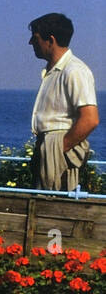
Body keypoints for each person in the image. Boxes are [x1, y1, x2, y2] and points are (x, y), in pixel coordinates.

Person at [27, 13, 98, 192]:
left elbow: (90, 119)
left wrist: (59, 149)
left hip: (58, 150)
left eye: (35, 38)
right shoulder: (54, 72)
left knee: (58, 206)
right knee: (42, 204)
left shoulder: (74, 71)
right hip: (48, 147)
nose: (31, 43)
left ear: (50, 40)